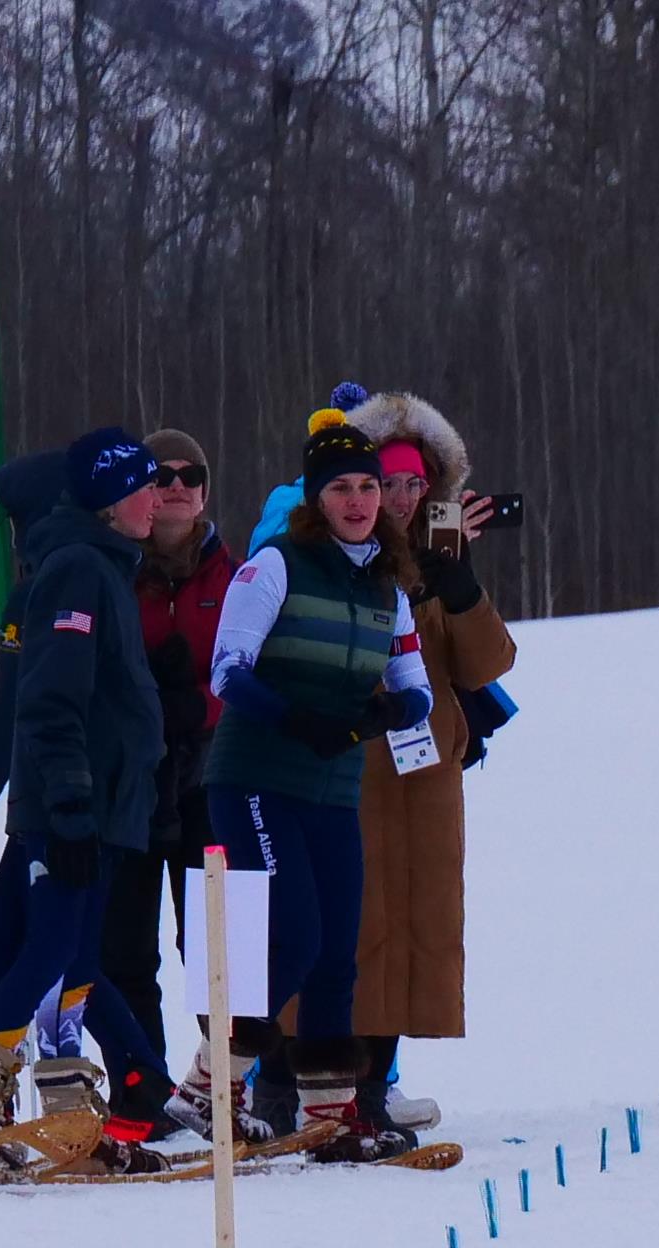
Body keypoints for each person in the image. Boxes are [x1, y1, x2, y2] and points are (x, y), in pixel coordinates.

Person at [0, 428, 181, 1172]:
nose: (157, 499)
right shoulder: (76, 571)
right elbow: (41, 705)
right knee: (49, 949)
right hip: (76, 807)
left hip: (94, 803)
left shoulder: (95, 568)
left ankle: (94, 1104)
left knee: (34, 947)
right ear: (104, 503)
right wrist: (67, 805)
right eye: (142, 487)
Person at [200, 406, 438, 1162]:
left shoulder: (388, 587)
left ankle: (333, 1113)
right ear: (315, 499)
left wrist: (404, 705)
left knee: (339, 950)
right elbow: (227, 669)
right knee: (292, 936)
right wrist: (294, 718)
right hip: (258, 775)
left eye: (369, 487)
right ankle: (213, 1085)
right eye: (342, 489)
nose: (361, 502)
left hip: (333, 783)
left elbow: (412, 678)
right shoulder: (274, 565)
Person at [344, 386, 521, 1135]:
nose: (404, 497)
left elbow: (488, 664)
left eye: (417, 482)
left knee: (414, 923)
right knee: (353, 921)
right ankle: (322, 1085)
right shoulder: (331, 558)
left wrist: (464, 591)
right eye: (388, 481)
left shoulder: (442, 561)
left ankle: (374, 1086)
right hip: (353, 763)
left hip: (424, 773)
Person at [113, 428, 239, 1133]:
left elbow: (255, 665)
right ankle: (142, 1090)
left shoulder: (236, 573)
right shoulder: (114, 569)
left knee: (217, 942)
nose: (180, 486)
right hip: (132, 780)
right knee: (128, 945)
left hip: (209, 775)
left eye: (194, 475)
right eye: (163, 475)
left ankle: (229, 1083)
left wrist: (202, 703)